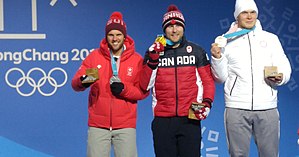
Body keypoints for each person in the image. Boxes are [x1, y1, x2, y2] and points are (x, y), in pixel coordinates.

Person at [210, 0, 292, 156]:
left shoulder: (270, 39)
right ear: (237, 16)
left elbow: (284, 66)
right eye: (244, 13)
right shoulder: (226, 40)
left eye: (252, 12)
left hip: (267, 107)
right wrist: (217, 57)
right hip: (236, 107)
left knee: (270, 154)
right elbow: (220, 77)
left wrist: (281, 76)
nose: (249, 16)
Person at [139, 4, 215, 157]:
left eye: (178, 26)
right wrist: (153, 61)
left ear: (183, 27)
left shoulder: (196, 51)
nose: (174, 30)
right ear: (164, 29)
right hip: (162, 120)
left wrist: (207, 103)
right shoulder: (153, 51)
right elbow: (144, 85)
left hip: (190, 118)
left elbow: (207, 81)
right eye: (170, 27)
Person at [71, 11, 148, 157]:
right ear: (106, 37)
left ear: (124, 36)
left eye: (118, 35)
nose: (115, 39)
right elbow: (75, 84)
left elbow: (143, 92)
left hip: (125, 125)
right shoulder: (94, 56)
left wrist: (124, 90)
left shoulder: (136, 59)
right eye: (111, 35)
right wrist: (84, 82)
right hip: (98, 124)